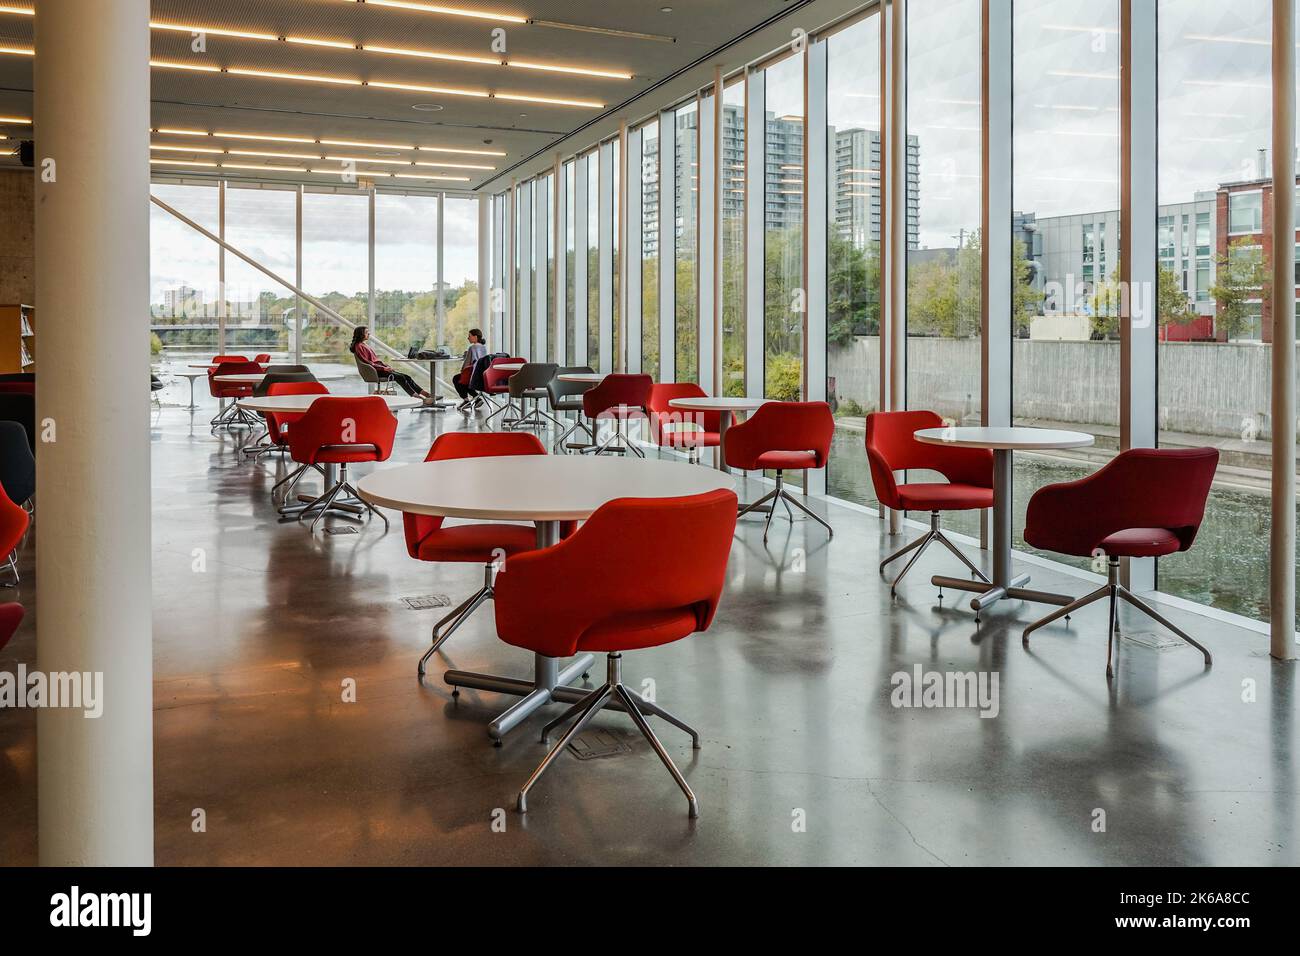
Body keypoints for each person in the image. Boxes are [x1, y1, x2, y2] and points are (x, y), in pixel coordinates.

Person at [349, 327, 435, 404]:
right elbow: (368, 362)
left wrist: (386, 366)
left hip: (380, 369)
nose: (369, 334)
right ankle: (418, 398)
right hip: (377, 371)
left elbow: (374, 361)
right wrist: (383, 368)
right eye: (367, 332)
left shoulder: (363, 345)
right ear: (361, 334)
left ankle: (426, 395)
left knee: (407, 377)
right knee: (401, 378)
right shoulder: (359, 346)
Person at [452, 328, 489, 411]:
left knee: (457, 379)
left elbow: (466, 364)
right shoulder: (483, 347)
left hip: (473, 374)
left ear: (475, 337)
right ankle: (477, 398)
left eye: (469, 336)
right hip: (482, 375)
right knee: (466, 381)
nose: (468, 338)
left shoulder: (472, 348)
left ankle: (466, 400)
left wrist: (462, 370)